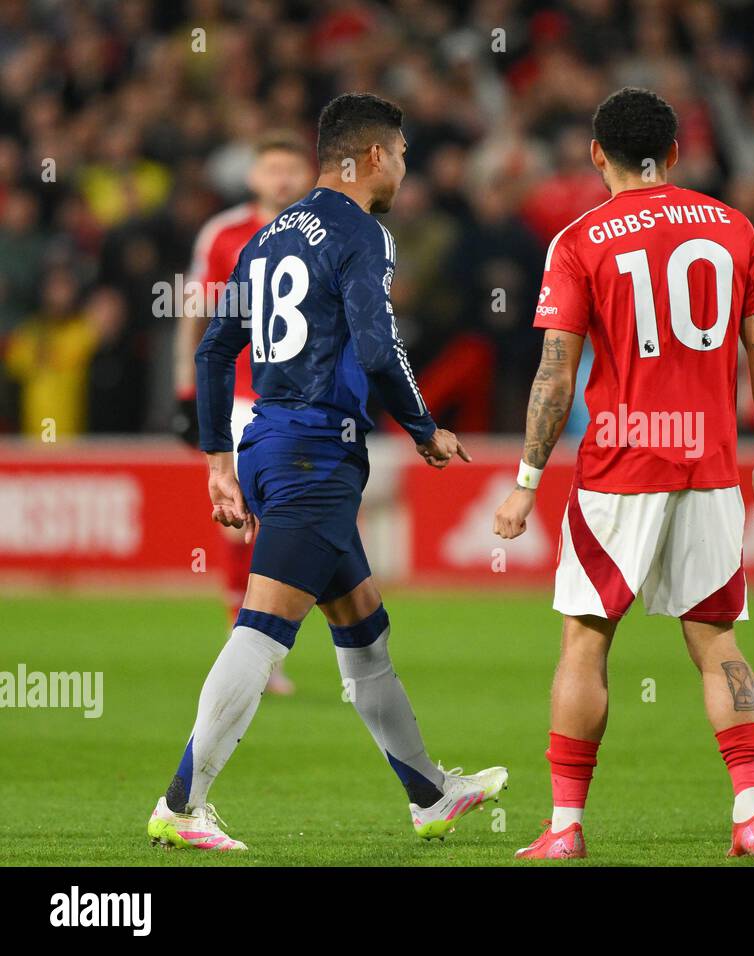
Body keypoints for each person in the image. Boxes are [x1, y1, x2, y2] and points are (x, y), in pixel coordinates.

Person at [147, 93, 505, 851]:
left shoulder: (268, 235)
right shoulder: (361, 234)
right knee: (262, 631)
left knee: (365, 632)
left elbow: (214, 351)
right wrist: (426, 430)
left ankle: (430, 794)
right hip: (316, 451)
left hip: (276, 445)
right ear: (373, 156)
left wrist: (218, 461)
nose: (405, 167)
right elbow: (380, 349)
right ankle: (183, 803)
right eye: (402, 153)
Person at [492, 88, 754, 859]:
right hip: (710, 467)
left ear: (598, 154)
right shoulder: (732, 228)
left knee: (585, 644)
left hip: (620, 467)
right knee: (718, 644)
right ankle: (752, 812)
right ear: (679, 152)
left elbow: (555, 377)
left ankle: (564, 829)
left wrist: (527, 477)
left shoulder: (579, 240)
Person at [174, 130, 315, 696]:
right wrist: (187, 390)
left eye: (291, 168)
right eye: (271, 168)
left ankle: (262, 643)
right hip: (238, 396)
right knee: (241, 522)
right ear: (253, 176)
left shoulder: (324, 230)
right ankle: (250, 642)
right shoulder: (225, 233)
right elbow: (195, 314)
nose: (281, 178)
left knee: (283, 523)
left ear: (306, 176)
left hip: (301, 398)